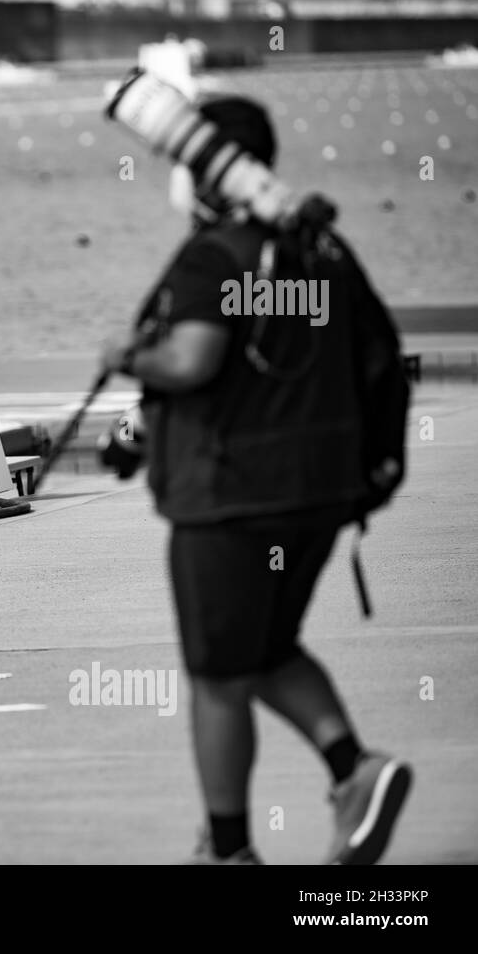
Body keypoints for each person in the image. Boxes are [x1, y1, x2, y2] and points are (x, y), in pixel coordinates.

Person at [99, 95, 412, 864]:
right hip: (322, 493)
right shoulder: (320, 252)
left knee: (217, 677)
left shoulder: (217, 256)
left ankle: (229, 850)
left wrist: (126, 356)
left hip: (230, 503)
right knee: (267, 649)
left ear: (202, 168)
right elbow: (282, 362)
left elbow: (193, 361)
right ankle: (355, 772)